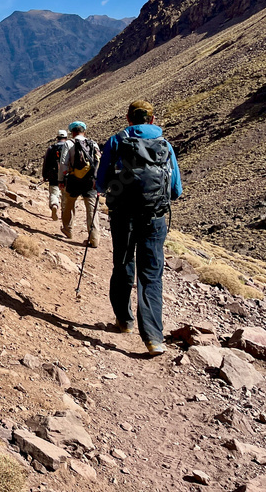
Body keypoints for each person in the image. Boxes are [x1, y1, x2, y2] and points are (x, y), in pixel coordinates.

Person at [96, 100, 182, 356]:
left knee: (122, 264)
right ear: (152, 120)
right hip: (154, 218)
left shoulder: (116, 141)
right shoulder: (164, 145)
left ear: (128, 118)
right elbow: (175, 189)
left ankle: (124, 321)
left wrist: (108, 189)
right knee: (151, 275)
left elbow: (101, 181)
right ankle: (154, 338)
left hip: (122, 216)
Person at [58, 121, 101, 247]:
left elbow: (63, 163)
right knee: (92, 209)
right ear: (84, 132)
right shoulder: (93, 143)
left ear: (72, 132)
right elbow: (99, 161)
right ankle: (94, 239)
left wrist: (61, 180)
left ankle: (68, 229)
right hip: (90, 181)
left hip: (73, 180)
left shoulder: (69, 143)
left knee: (68, 204)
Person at [42, 130, 70, 220]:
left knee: (54, 193)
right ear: (66, 138)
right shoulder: (70, 147)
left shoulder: (51, 148)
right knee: (65, 195)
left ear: (57, 138)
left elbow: (46, 162)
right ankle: (65, 215)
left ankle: (54, 205)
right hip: (67, 175)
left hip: (53, 174)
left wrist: (45, 175)